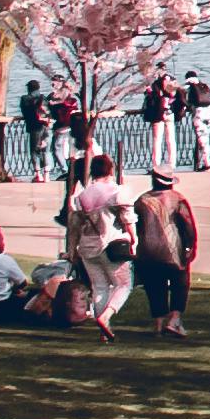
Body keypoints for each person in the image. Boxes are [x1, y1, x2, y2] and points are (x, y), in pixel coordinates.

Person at [63, 140, 134, 332]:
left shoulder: (82, 196)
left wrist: (71, 250)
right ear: (110, 170)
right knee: (124, 284)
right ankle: (106, 316)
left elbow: (74, 226)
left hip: (87, 247)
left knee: (100, 286)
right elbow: (128, 218)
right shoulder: (116, 192)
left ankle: (104, 328)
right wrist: (133, 239)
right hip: (111, 245)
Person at [131, 163, 197, 338]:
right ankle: (174, 319)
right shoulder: (178, 199)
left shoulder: (142, 200)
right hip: (173, 251)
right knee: (180, 283)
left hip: (147, 252)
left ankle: (159, 323)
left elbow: (134, 225)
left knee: (154, 286)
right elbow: (188, 226)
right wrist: (190, 247)